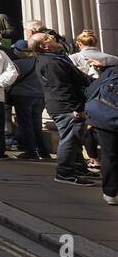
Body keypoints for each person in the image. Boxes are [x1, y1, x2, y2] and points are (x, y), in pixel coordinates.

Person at [31, 31, 96, 185]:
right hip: (66, 107)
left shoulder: (57, 57)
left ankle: (78, 167)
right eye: (47, 38)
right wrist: (77, 107)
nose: (52, 37)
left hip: (66, 105)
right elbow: (61, 88)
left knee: (74, 138)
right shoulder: (51, 62)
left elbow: (77, 78)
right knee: (70, 139)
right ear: (44, 46)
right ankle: (65, 173)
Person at [84, 63, 118, 206]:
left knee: (109, 154)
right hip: (107, 117)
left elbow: (90, 91)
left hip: (105, 116)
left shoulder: (112, 70)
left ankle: (110, 193)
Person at [7, 41, 47, 161]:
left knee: (25, 124)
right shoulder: (41, 61)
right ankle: (43, 151)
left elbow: (10, 79)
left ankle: (30, 151)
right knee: (37, 124)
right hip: (40, 95)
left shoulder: (17, 64)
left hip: (22, 96)